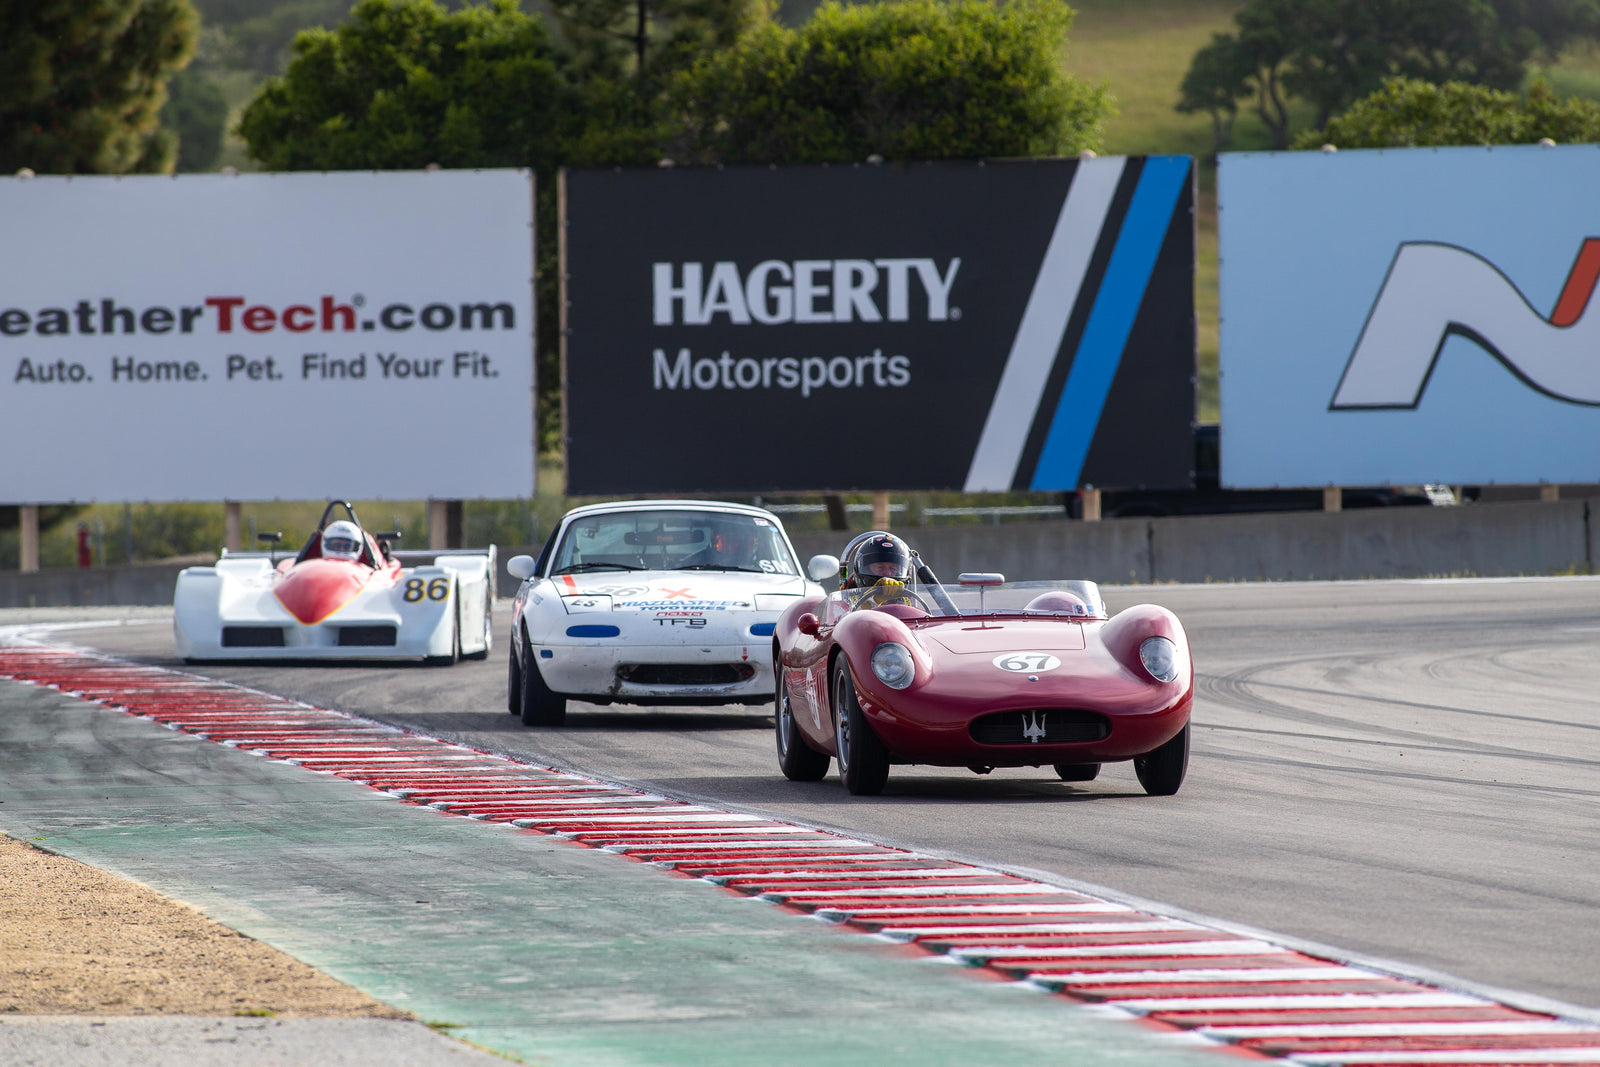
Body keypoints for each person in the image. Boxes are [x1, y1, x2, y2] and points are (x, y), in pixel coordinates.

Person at [842, 533, 921, 608]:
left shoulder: (909, 601)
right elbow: (846, 618)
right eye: (880, 567)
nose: (887, 574)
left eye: (893, 568)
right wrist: (873, 599)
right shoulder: (848, 596)